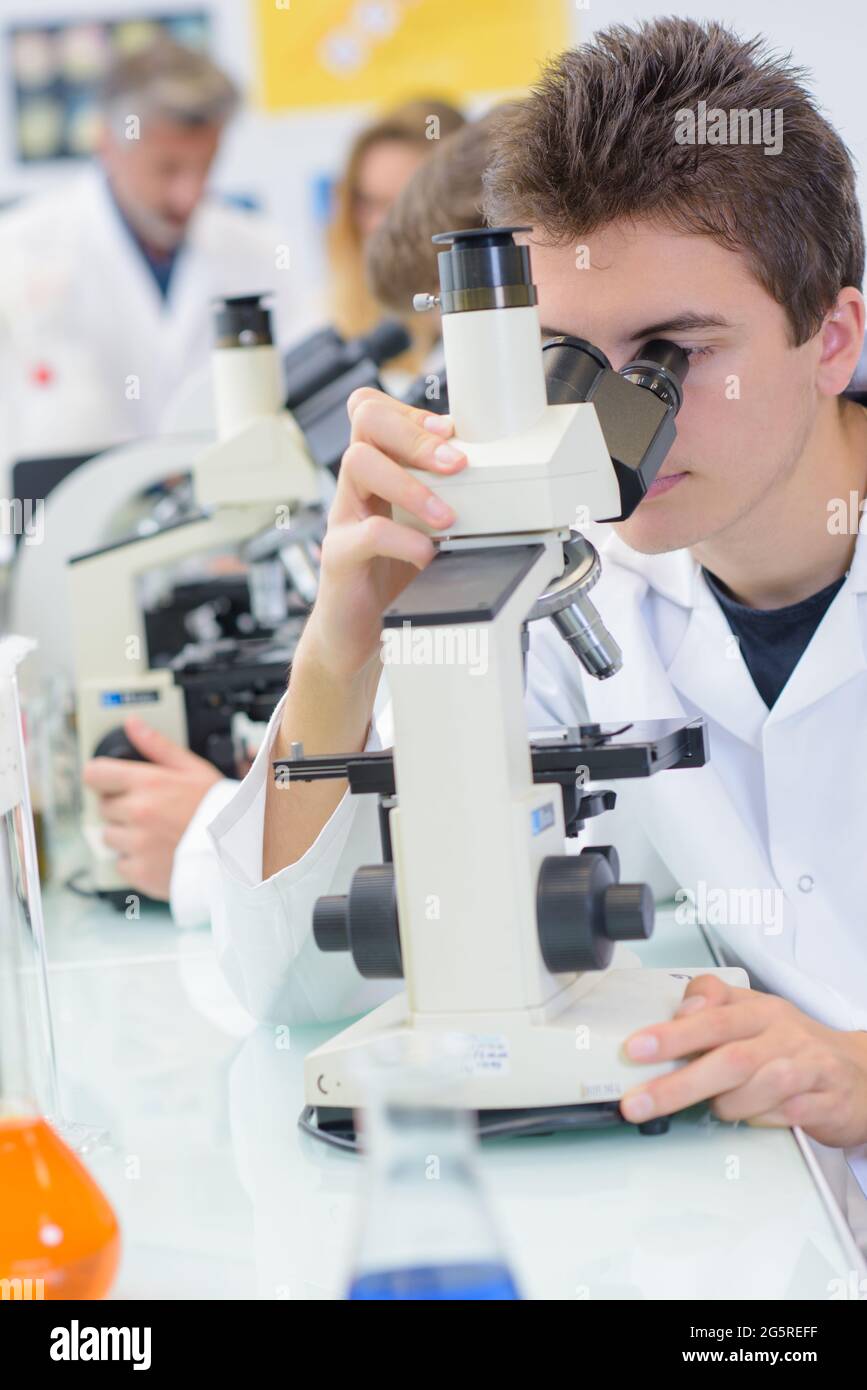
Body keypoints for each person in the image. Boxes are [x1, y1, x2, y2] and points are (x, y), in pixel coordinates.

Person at [205, 16, 867, 1246]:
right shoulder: (575, 585)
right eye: (568, 361)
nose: (610, 430)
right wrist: (343, 639)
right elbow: (298, 988)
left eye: (669, 357)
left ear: (831, 337)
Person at [0, 37, 294, 472]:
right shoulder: (19, 252)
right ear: (107, 143)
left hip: (236, 522)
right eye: (168, 168)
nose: (189, 195)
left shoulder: (259, 250)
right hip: (73, 528)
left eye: (206, 166)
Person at [326, 98, 465, 376]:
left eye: (400, 205)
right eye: (367, 202)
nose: (378, 224)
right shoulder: (328, 316)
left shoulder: (485, 332)